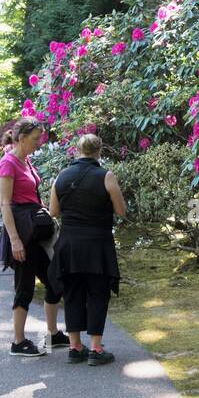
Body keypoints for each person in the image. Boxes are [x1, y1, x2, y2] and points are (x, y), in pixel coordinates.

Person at [48, 134, 127, 366]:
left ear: (77, 150)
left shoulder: (61, 176)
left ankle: (74, 347)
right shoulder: (106, 176)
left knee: (72, 293)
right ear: (99, 151)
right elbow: (121, 211)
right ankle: (95, 348)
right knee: (97, 293)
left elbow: (53, 211)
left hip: (69, 244)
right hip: (97, 244)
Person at [0, 118, 67, 356]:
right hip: (21, 233)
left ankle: (53, 334)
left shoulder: (25, 161)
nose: (39, 142)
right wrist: (14, 240)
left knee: (55, 280)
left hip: (35, 231)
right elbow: (5, 204)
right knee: (24, 287)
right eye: (36, 138)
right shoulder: (8, 163)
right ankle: (18, 342)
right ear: (22, 137)